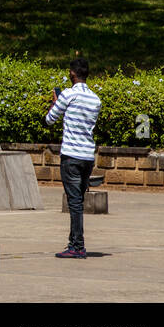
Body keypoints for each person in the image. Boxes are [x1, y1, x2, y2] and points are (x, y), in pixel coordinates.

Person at [46, 57, 102, 259]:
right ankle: (75, 242)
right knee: (78, 200)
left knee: (75, 203)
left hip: (71, 155)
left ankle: (77, 246)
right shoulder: (96, 99)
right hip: (88, 155)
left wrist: (55, 103)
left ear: (72, 74)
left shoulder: (68, 95)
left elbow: (50, 120)